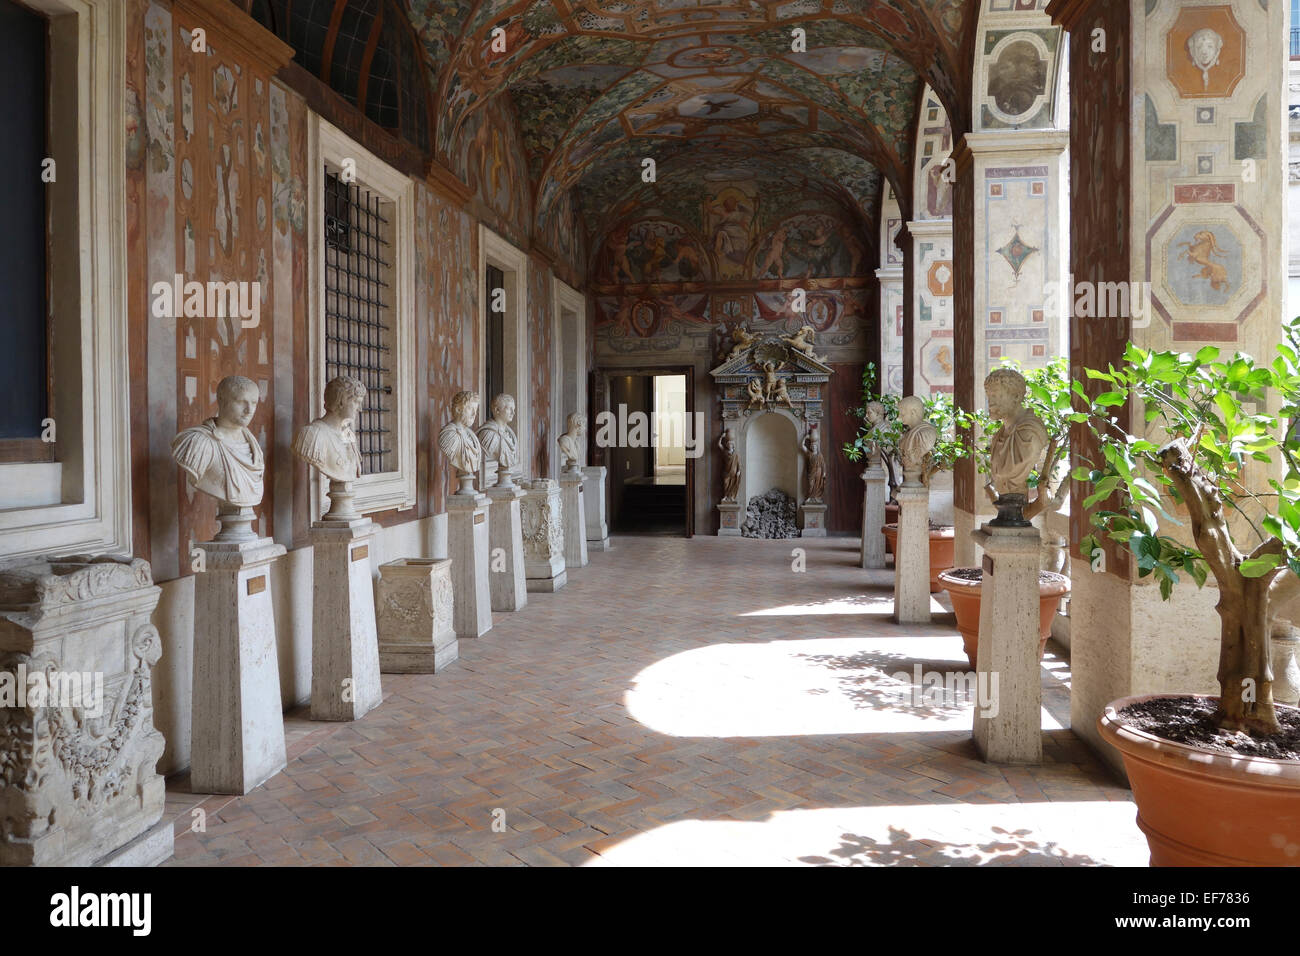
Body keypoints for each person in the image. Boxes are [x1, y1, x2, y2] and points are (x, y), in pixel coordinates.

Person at [171, 375, 265, 506]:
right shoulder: (198, 442)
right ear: (222, 400)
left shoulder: (253, 444)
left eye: (253, 403)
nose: (249, 410)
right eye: (240, 402)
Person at [439, 391, 483, 495]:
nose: (474, 414)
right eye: (470, 409)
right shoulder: (449, 435)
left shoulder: (471, 436)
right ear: (458, 409)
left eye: (475, 410)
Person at [477, 393, 521, 488]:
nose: (513, 413)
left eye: (513, 409)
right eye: (509, 409)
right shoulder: (487, 434)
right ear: (497, 410)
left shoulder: (510, 434)